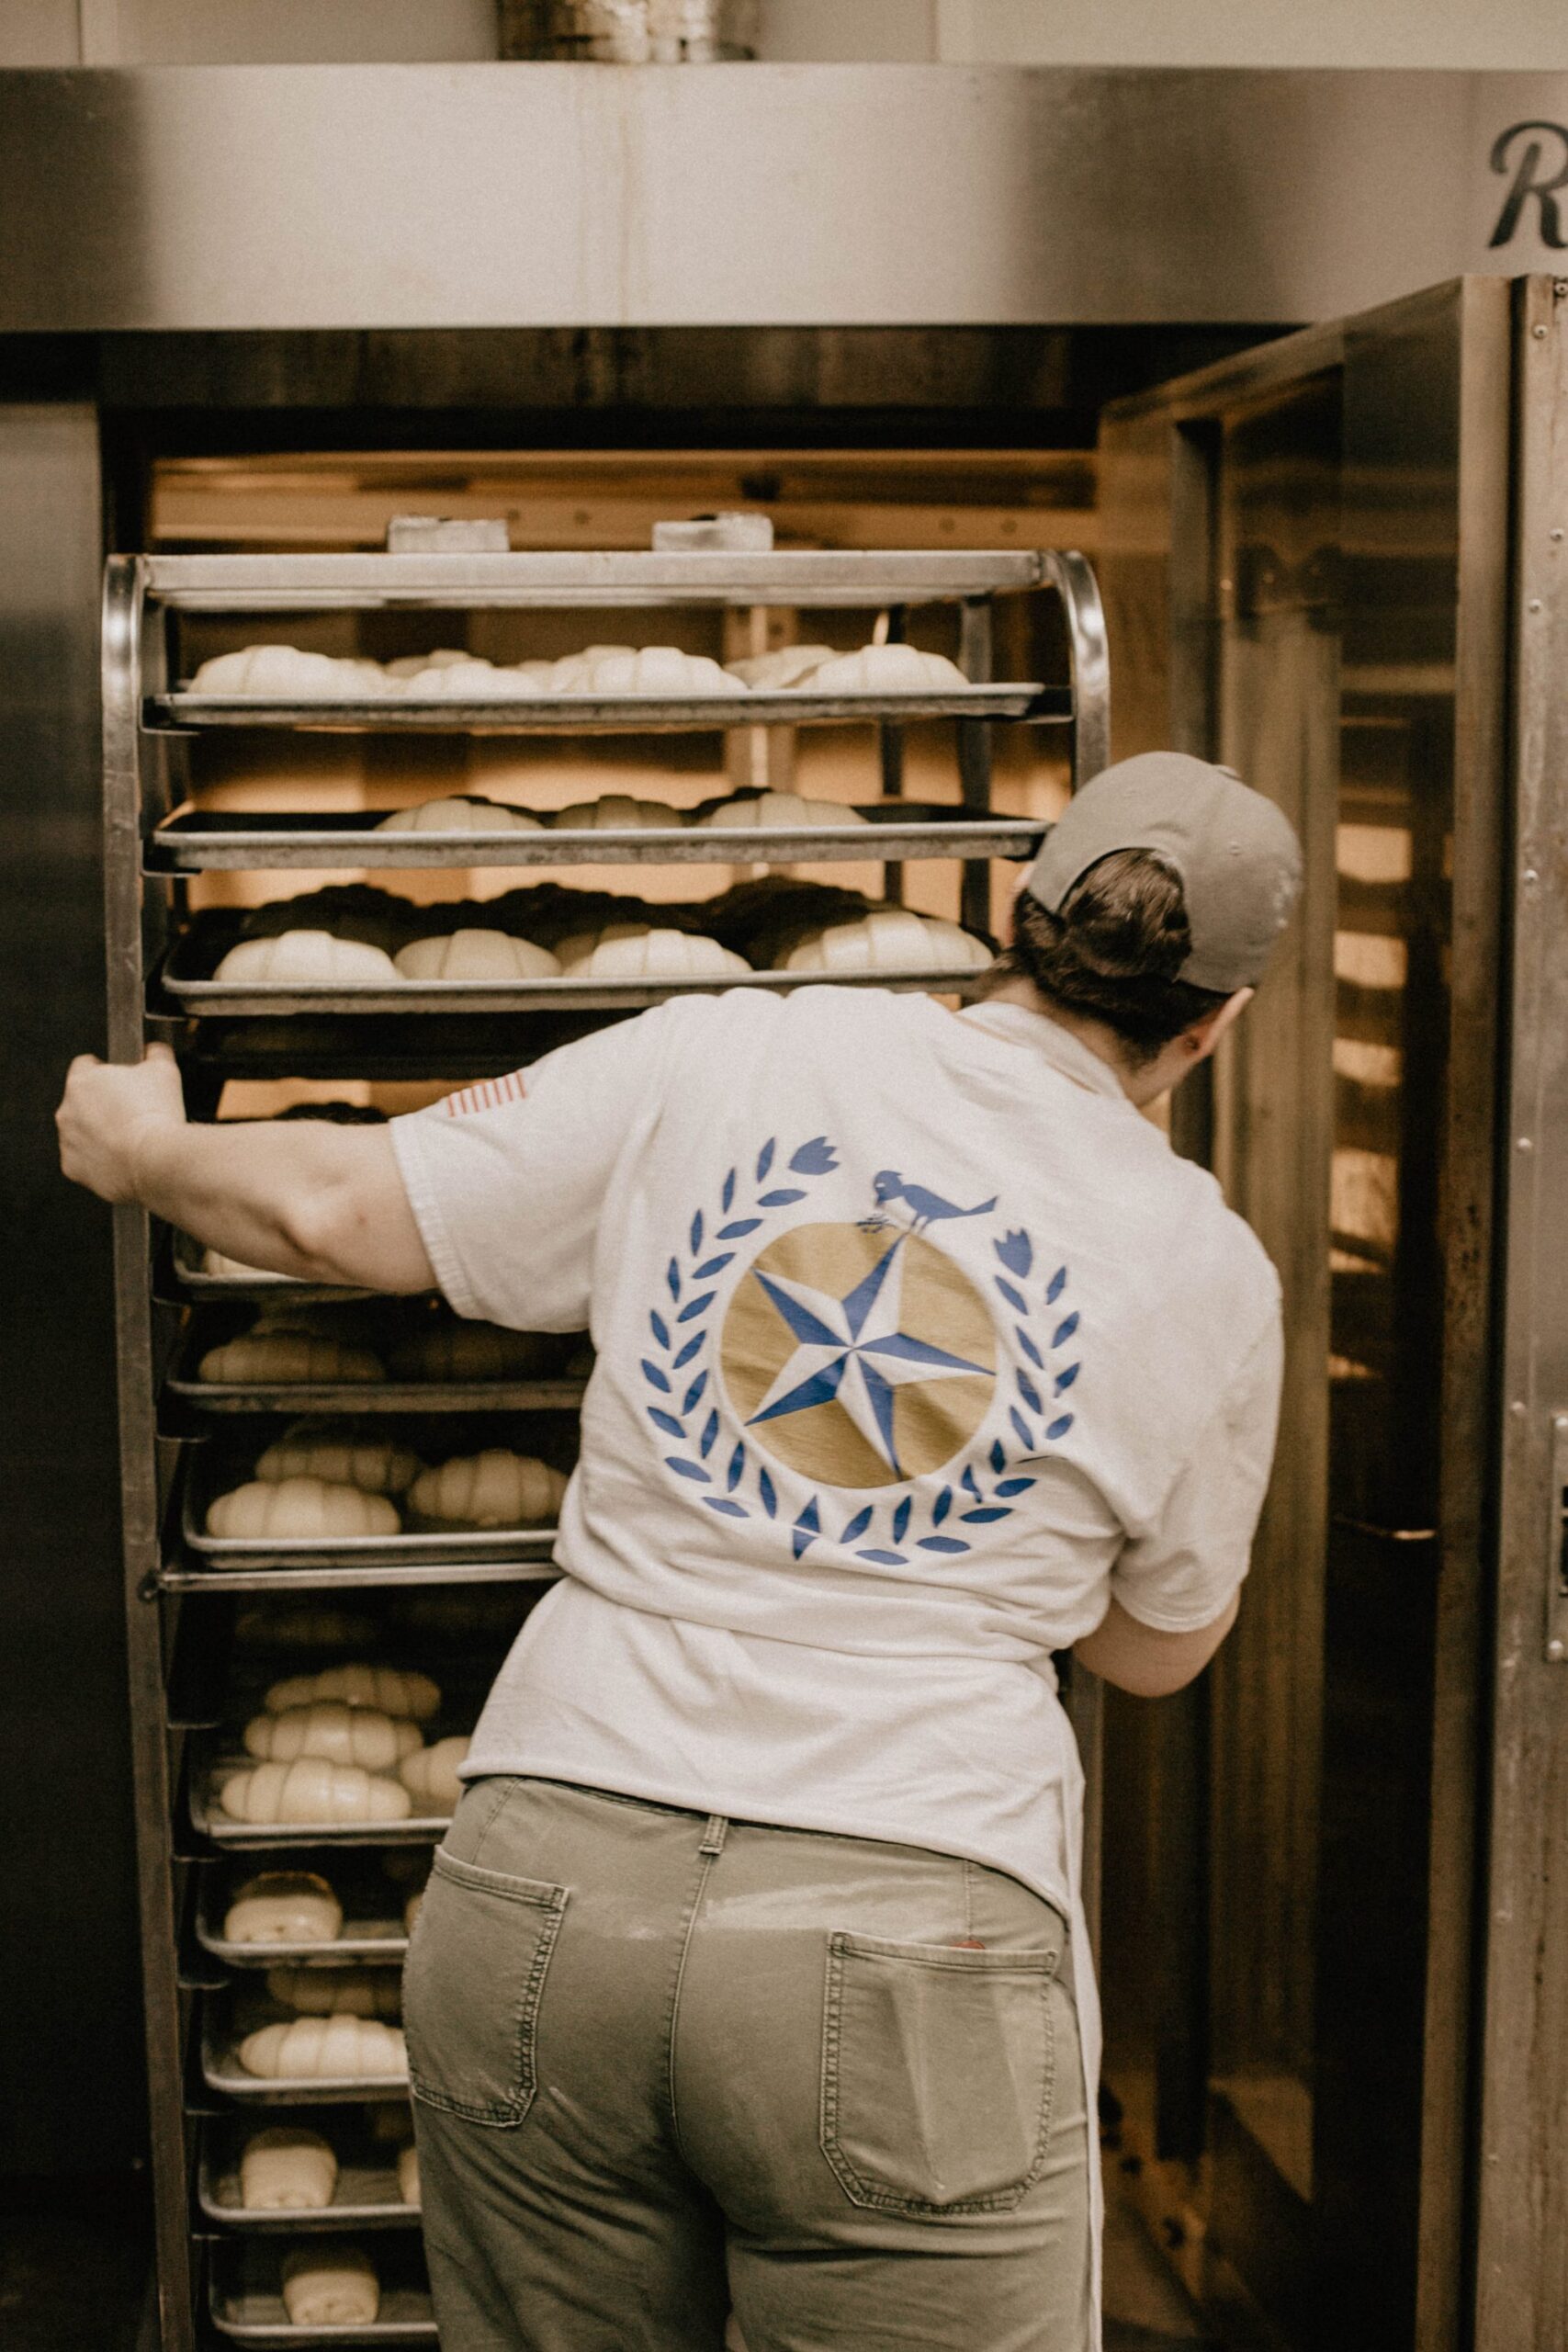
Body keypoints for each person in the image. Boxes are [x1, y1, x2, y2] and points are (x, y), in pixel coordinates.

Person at [58, 751, 1301, 2352]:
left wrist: (144, 1146)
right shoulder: (1205, 1264)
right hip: (917, 1924)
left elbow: (337, 1211)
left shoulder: (739, 1047)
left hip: (551, 1886)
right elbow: (1154, 1650)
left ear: (1017, 914)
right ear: (1217, 1021)